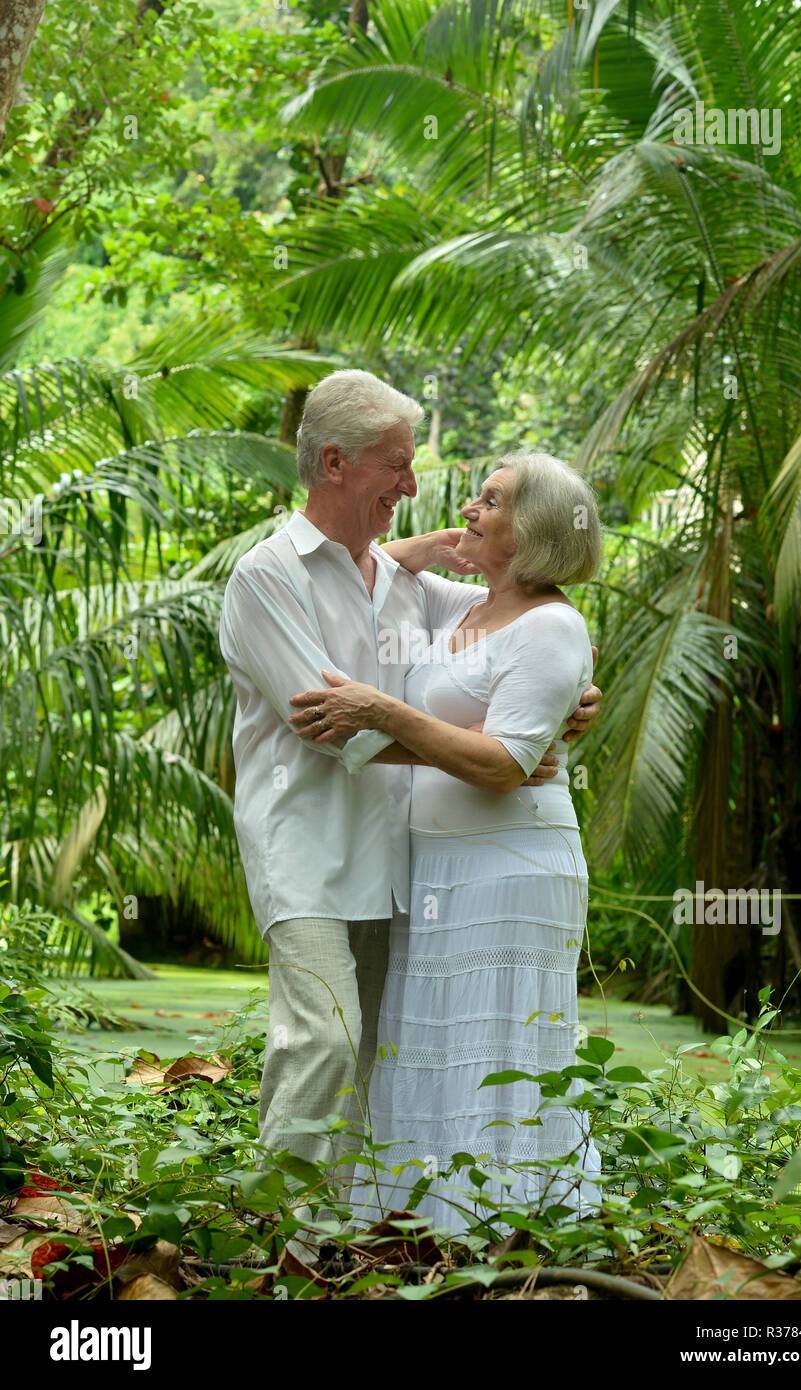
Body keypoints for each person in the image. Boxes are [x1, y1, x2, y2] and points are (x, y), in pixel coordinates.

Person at [218, 371, 602, 1248]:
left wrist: (567, 704)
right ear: (333, 463)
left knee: (378, 1066)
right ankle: (276, 1247)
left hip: (404, 867)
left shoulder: (402, 584)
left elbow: (525, 635)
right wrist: (499, 755)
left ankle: (346, 1244)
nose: (414, 484)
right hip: (309, 853)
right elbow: (328, 727)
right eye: (397, 465)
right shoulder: (267, 576)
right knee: (322, 1043)